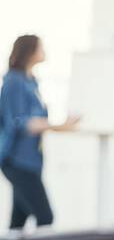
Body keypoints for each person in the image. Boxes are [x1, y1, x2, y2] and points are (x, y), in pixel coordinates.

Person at [1, 35, 80, 229]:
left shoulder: (32, 82)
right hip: (16, 160)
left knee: (18, 222)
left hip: (32, 160)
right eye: (41, 47)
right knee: (45, 216)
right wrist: (58, 124)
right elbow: (20, 122)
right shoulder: (14, 81)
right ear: (29, 51)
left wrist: (61, 125)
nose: (45, 51)